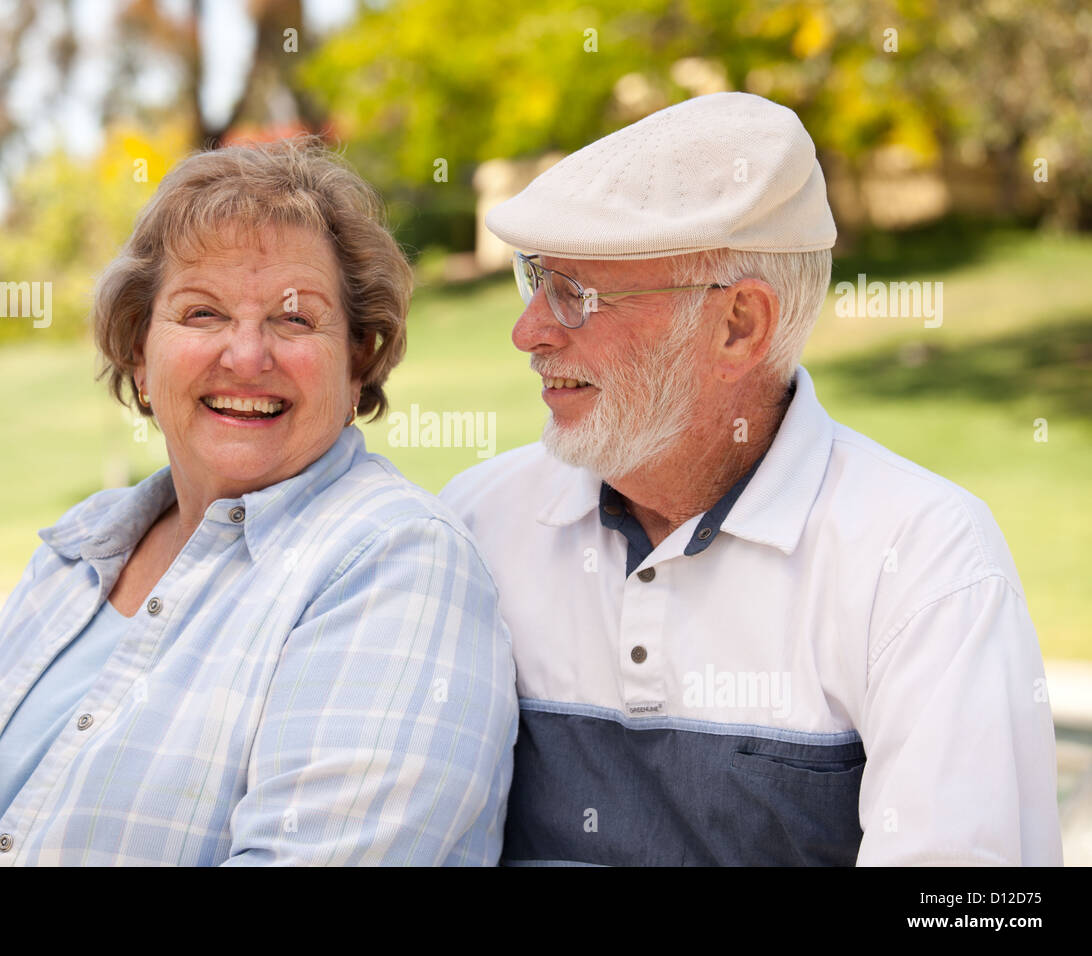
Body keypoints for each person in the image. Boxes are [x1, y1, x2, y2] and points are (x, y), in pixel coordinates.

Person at [0, 138, 517, 866]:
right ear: (139, 354)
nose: (247, 355)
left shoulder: (396, 564)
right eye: (202, 314)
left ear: (359, 359)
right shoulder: (79, 553)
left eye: (295, 319)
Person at [439, 92, 1062, 866]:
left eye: (575, 294)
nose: (528, 331)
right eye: (536, 280)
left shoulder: (925, 563)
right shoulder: (473, 525)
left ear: (740, 324)